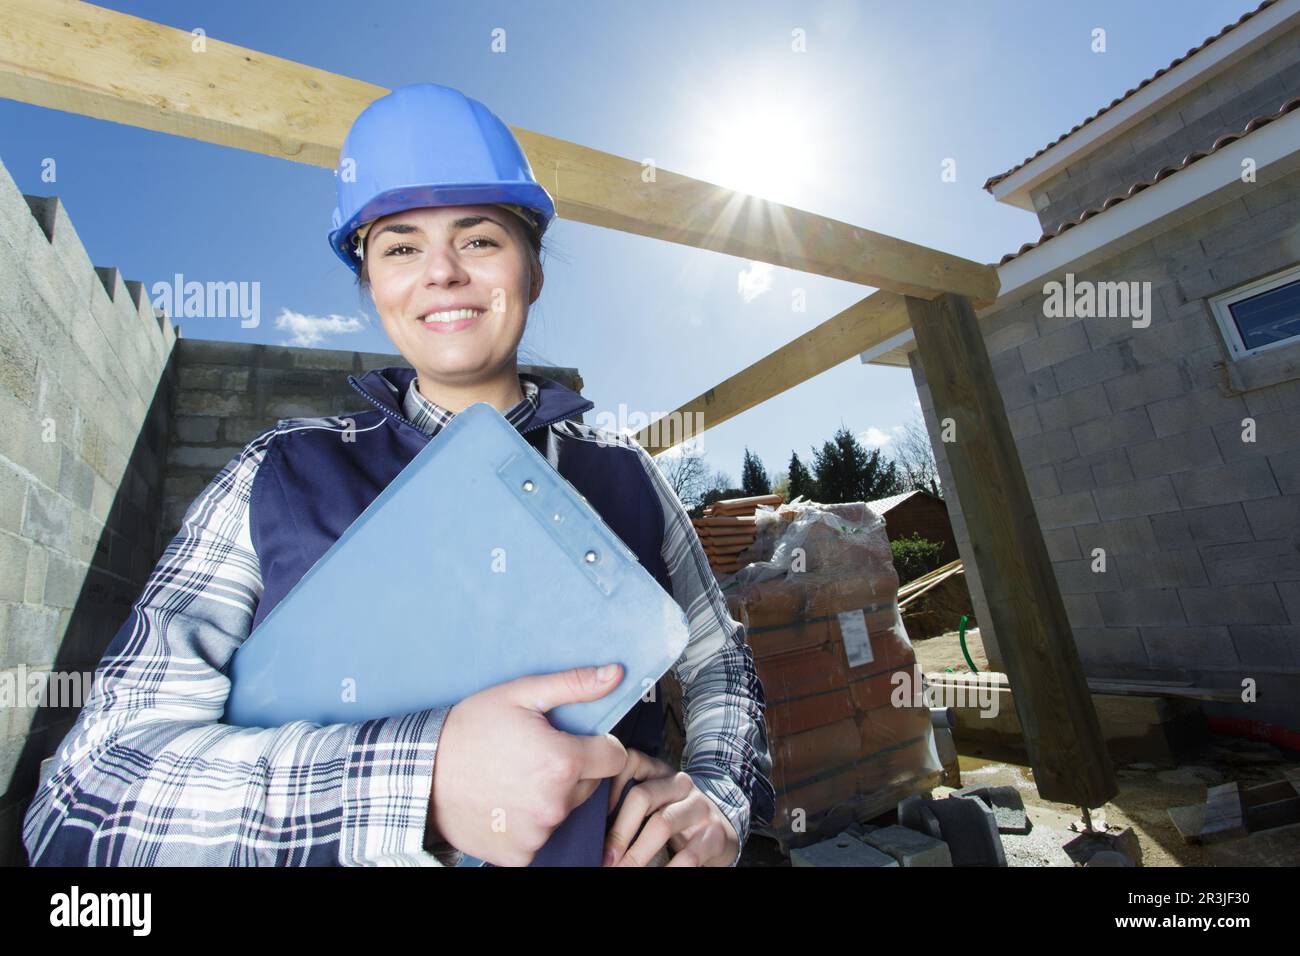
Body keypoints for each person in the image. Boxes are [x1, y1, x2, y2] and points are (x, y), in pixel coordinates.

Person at [22, 83, 775, 867]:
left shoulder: (625, 475)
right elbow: (83, 801)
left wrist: (716, 800)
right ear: (373, 287)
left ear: (533, 270)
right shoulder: (279, 474)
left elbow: (721, 664)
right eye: (401, 247)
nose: (441, 272)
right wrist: (421, 781)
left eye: (479, 240)